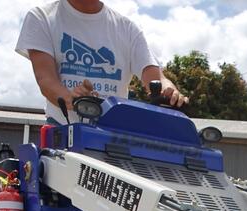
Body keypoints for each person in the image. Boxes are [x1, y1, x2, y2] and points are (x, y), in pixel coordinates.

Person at [16, 0, 189, 126]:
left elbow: (155, 77)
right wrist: (73, 99)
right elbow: (46, 81)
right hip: (63, 131)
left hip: (113, 136)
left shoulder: (127, 28)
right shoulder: (42, 17)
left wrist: (169, 90)